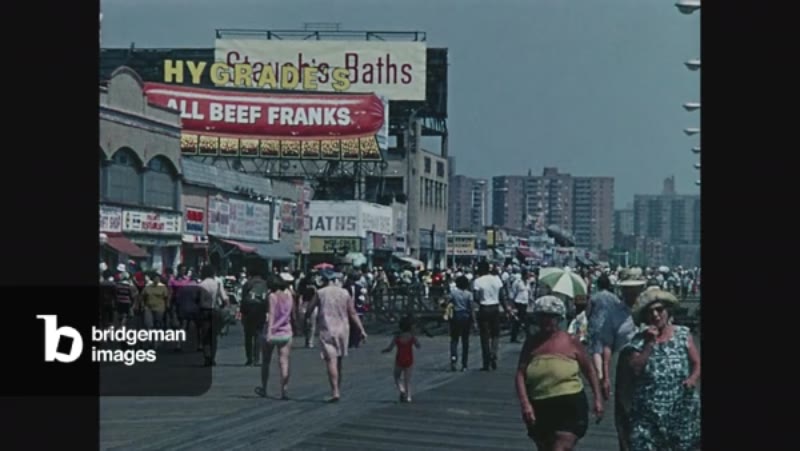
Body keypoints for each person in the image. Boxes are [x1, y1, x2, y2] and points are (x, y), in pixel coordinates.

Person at [515, 296, 604, 451]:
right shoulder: (531, 343)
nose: (547, 321)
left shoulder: (571, 341)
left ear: (559, 318)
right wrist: (525, 404)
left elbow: (589, 370)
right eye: (542, 317)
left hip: (569, 403)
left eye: (551, 317)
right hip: (540, 403)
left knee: (561, 446)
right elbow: (520, 375)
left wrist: (598, 398)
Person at [626, 289, 701, 451]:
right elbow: (635, 369)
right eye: (650, 312)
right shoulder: (638, 341)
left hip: (680, 408)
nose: (655, 315)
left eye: (659, 310)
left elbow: (697, 363)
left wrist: (692, 379)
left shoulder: (683, 334)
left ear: (667, 312)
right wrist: (649, 343)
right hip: (649, 411)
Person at [305, 270, 368, 402]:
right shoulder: (344, 293)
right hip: (343, 329)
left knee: (331, 360)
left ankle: (335, 391)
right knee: (339, 360)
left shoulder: (321, 292)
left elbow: (309, 309)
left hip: (327, 328)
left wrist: (305, 318)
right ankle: (337, 387)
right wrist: (361, 330)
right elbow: (352, 313)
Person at [254, 273, 294, 400]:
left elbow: (271, 314)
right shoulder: (289, 295)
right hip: (286, 331)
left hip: (273, 331)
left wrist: (269, 332)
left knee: (266, 361)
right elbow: (291, 313)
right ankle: (284, 391)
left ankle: (264, 388)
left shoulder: (272, 296)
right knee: (284, 362)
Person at [473, 261, 513, 371]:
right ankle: (494, 353)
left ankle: (486, 362)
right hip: (495, 307)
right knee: (495, 334)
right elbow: (502, 297)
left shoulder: (478, 281)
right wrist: (506, 309)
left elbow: (476, 297)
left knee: (484, 336)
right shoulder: (496, 279)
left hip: (484, 308)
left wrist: (481, 300)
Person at [381, 315, 421, 403]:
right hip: (409, 359)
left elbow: (390, 348)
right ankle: (408, 396)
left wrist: (385, 350)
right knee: (407, 379)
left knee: (397, 376)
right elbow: (418, 345)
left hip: (399, 359)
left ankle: (401, 389)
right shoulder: (412, 336)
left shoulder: (397, 336)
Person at [198, 265, 229, 367]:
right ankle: (213, 358)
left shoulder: (201, 284)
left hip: (204, 311)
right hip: (215, 311)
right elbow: (224, 299)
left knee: (205, 336)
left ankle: (207, 357)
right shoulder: (217, 284)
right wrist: (225, 308)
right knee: (213, 336)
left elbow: (198, 300)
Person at [241, 269, 269, 366]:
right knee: (258, 334)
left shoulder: (247, 284)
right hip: (261, 310)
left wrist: (242, 313)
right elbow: (267, 299)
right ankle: (257, 358)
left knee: (248, 335)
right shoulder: (265, 284)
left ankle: (249, 358)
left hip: (249, 311)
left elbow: (243, 299)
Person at [447, 275, 474, 372]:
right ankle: (464, 364)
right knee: (465, 341)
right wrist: (474, 320)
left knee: (454, 339)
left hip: (456, 316)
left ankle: (453, 359)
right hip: (466, 316)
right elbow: (471, 308)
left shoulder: (453, 293)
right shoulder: (469, 294)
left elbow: (446, 301)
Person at [139, 272, 169, 349]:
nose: (157, 280)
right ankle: (149, 341)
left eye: (158, 278)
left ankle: (156, 341)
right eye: (155, 278)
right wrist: (142, 305)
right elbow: (142, 296)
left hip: (160, 308)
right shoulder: (147, 287)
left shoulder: (163, 287)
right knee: (149, 325)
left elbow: (166, 298)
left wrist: (167, 306)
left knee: (157, 325)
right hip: (148, 308)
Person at [510, 270, 532, 343]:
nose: (528, 276)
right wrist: (512, 304)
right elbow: (513, 293)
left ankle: (522, 336)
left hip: (525, 303)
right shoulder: (517, 282)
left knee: (522, 320)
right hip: (518, 302)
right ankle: (515, 336)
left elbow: (529, 292)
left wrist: (530, 300)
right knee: (519, 320)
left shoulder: (528, 282)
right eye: (527, 275)